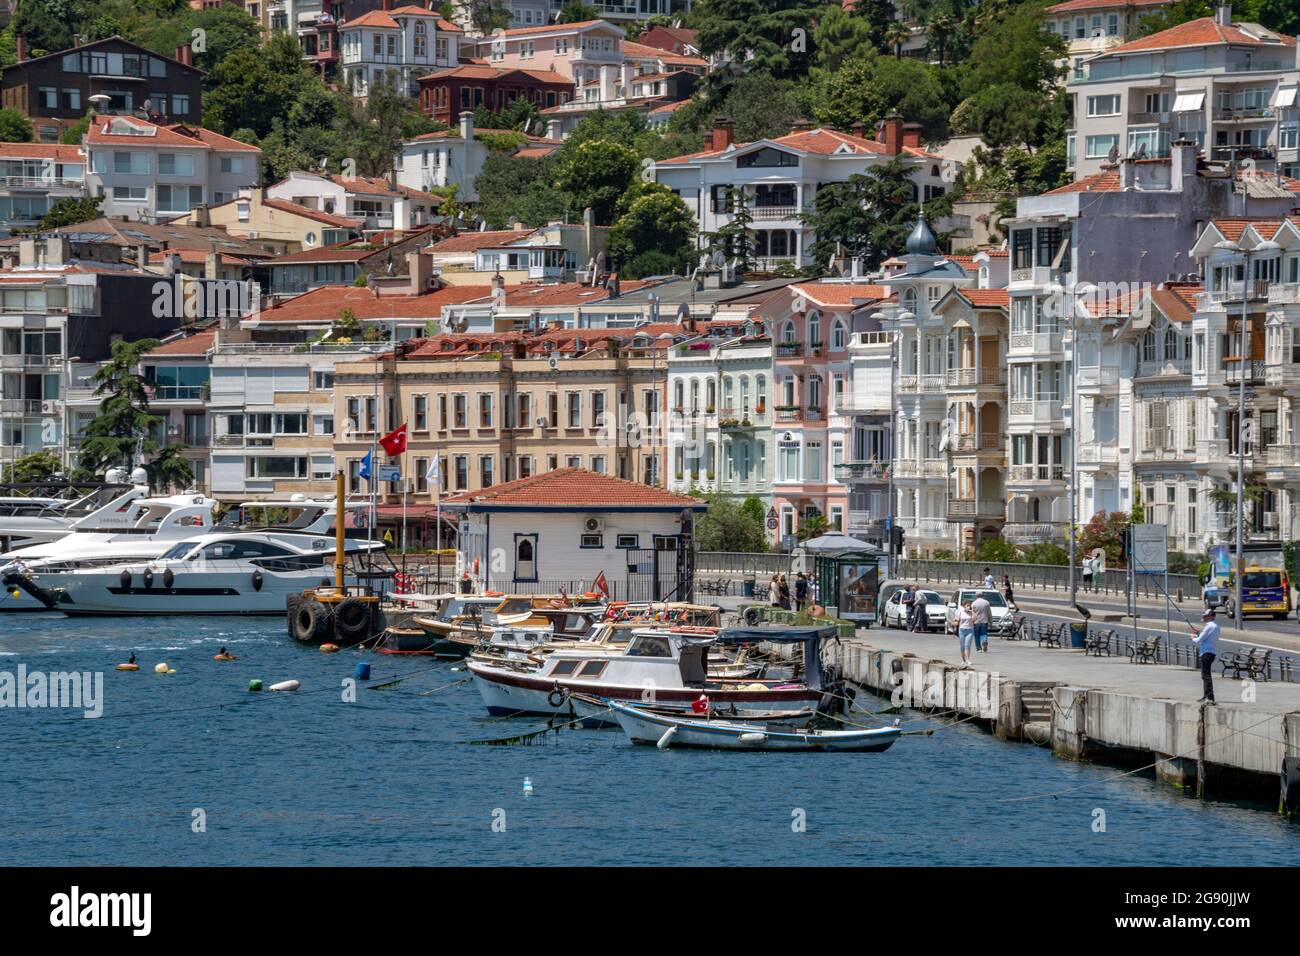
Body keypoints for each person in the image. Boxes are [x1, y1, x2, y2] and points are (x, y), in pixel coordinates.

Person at [1192, 608, 1220, 703]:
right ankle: (1207, 695)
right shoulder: (1216, 626)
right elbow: (1206, 638)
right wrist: (1198, 634)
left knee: (1206, 675)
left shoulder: (1209, 626)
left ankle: (1209, 697)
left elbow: (1199, 640)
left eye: (1205, 616)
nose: (1204, 618)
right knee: (1205, 675)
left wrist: (1193, 638)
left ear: (1210, 616)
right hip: (1211, 653)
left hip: (1206, 653)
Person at [956, 599, 976, 667]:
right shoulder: (960, 612)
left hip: (970, 630)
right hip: (962, 630)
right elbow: (956, 620)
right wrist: (954, 623)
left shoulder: (971, 613)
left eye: (969, 606)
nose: (969, 607)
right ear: (964, 606)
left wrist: (973, 611)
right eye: (967, 605)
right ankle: (963, 660)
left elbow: (974, 619)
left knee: (967, 645)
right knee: (962, 646)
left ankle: (968, 659)